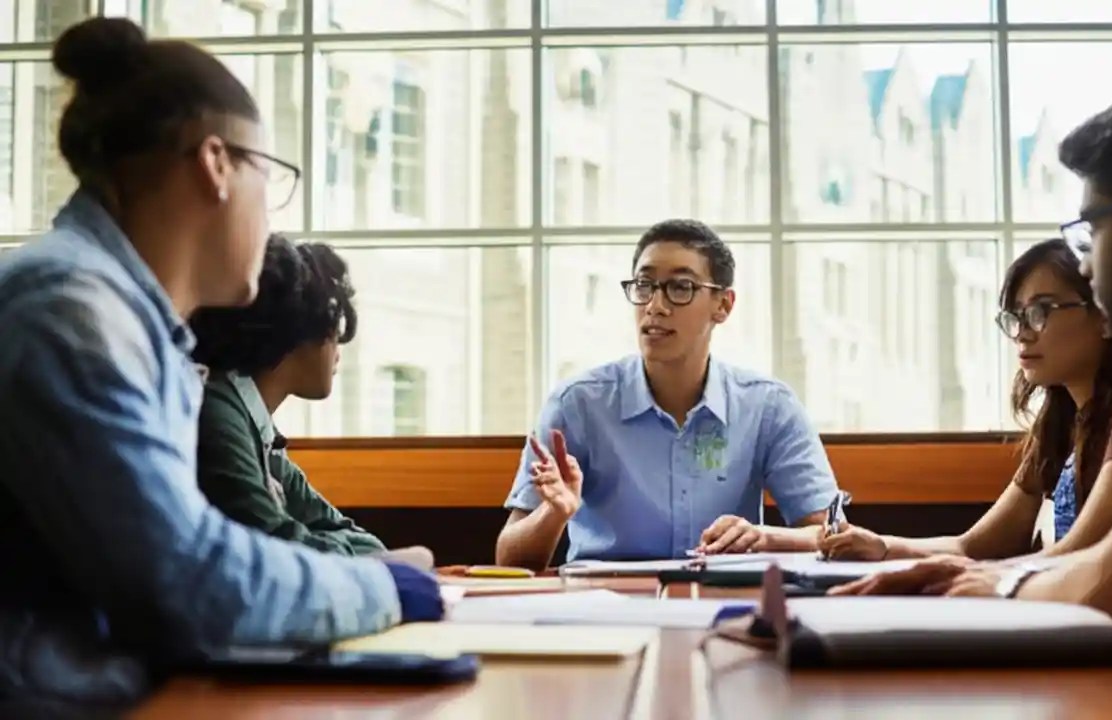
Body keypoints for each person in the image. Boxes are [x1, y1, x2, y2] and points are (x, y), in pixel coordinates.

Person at [0, 18, 439, 707]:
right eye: (270, 176)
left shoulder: (122, 317)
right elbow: (186, 577)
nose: (271, 214)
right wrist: (390, 587)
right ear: (215, 165)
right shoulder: (69, 311)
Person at [832, 72, 1112, 694]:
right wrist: (958, 575)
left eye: (1092, 229)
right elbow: (1111, 563)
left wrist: (996, 584)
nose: (1086, 259)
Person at [495, 219, 842, 571]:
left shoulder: (769, 407)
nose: (655, 306)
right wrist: (554, 514)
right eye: (645, 286)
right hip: (607, 606)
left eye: (680, 287)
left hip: (720, 601)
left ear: (723, 305)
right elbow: (509, 560)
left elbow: (833, 536)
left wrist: (764, 538)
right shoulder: (578, 405)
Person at [820, 239, 1112, 562]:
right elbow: (974, 546)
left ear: (1104, 312)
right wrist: (883, 547)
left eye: (1040, 311)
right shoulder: (1062, 418)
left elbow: (1085, 553)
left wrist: (963, 574)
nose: (1022, 332)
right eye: (1016, 317)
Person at [190, 234, 396, 557]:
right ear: (300, 328)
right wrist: (383, 564)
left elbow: (345, 531)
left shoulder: (258, 427)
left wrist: (379, 560)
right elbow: (274, 543)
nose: (338, 349)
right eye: (333, 328)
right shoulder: (217, 413)